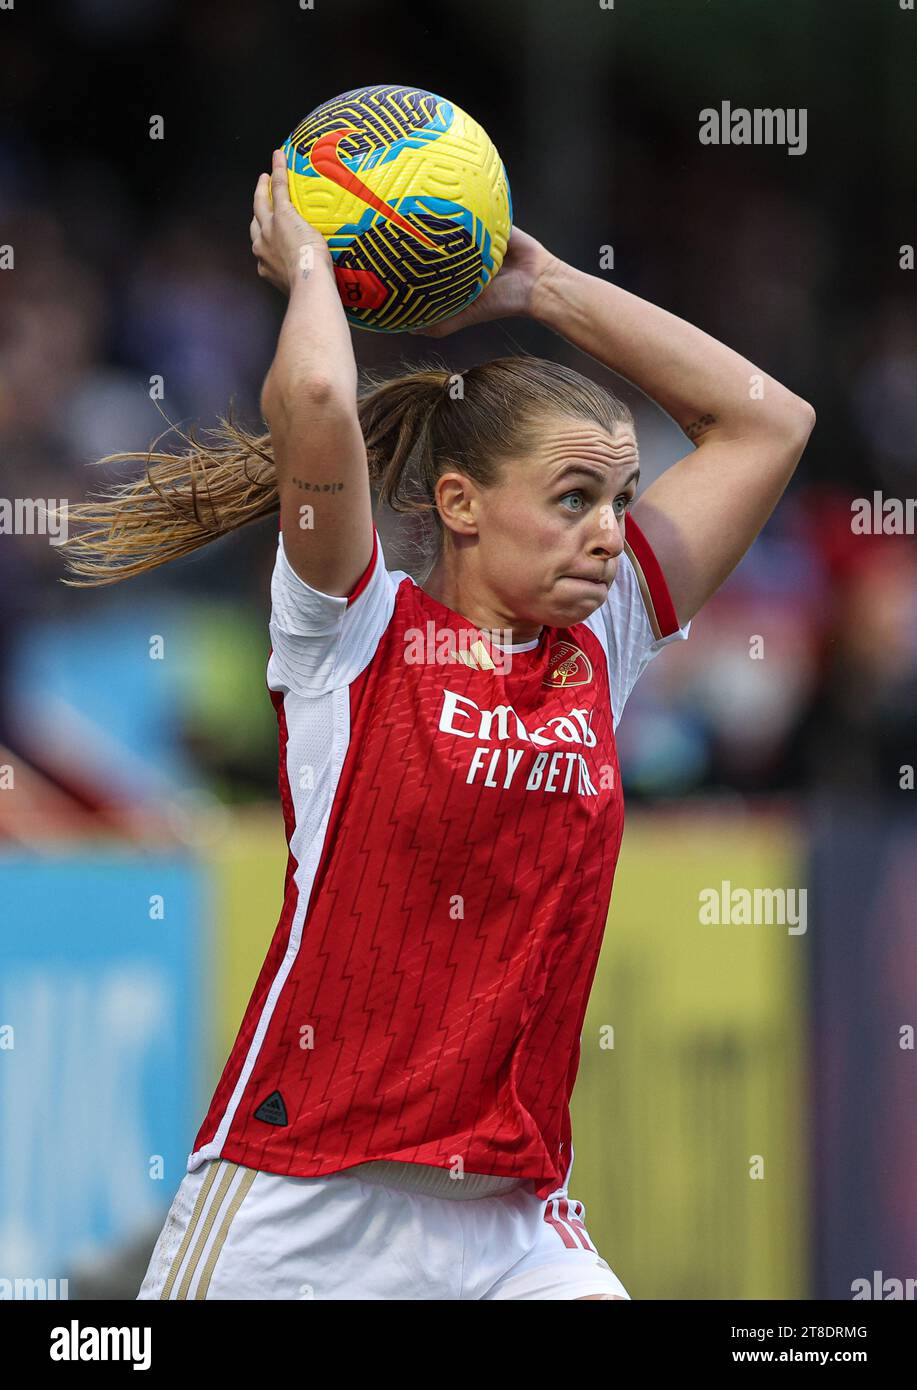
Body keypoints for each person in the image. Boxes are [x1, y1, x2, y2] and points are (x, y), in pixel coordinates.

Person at [63, 149, 815, 1300]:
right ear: (459, 505)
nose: (611, 530)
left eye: (617, 500)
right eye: (573, 499)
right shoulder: (348, 635)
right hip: (299, 1200)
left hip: (512, 1226)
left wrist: (545, 286)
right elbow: (316, 399)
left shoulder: (598, 645)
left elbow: (766, 423)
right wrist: (312, 263)